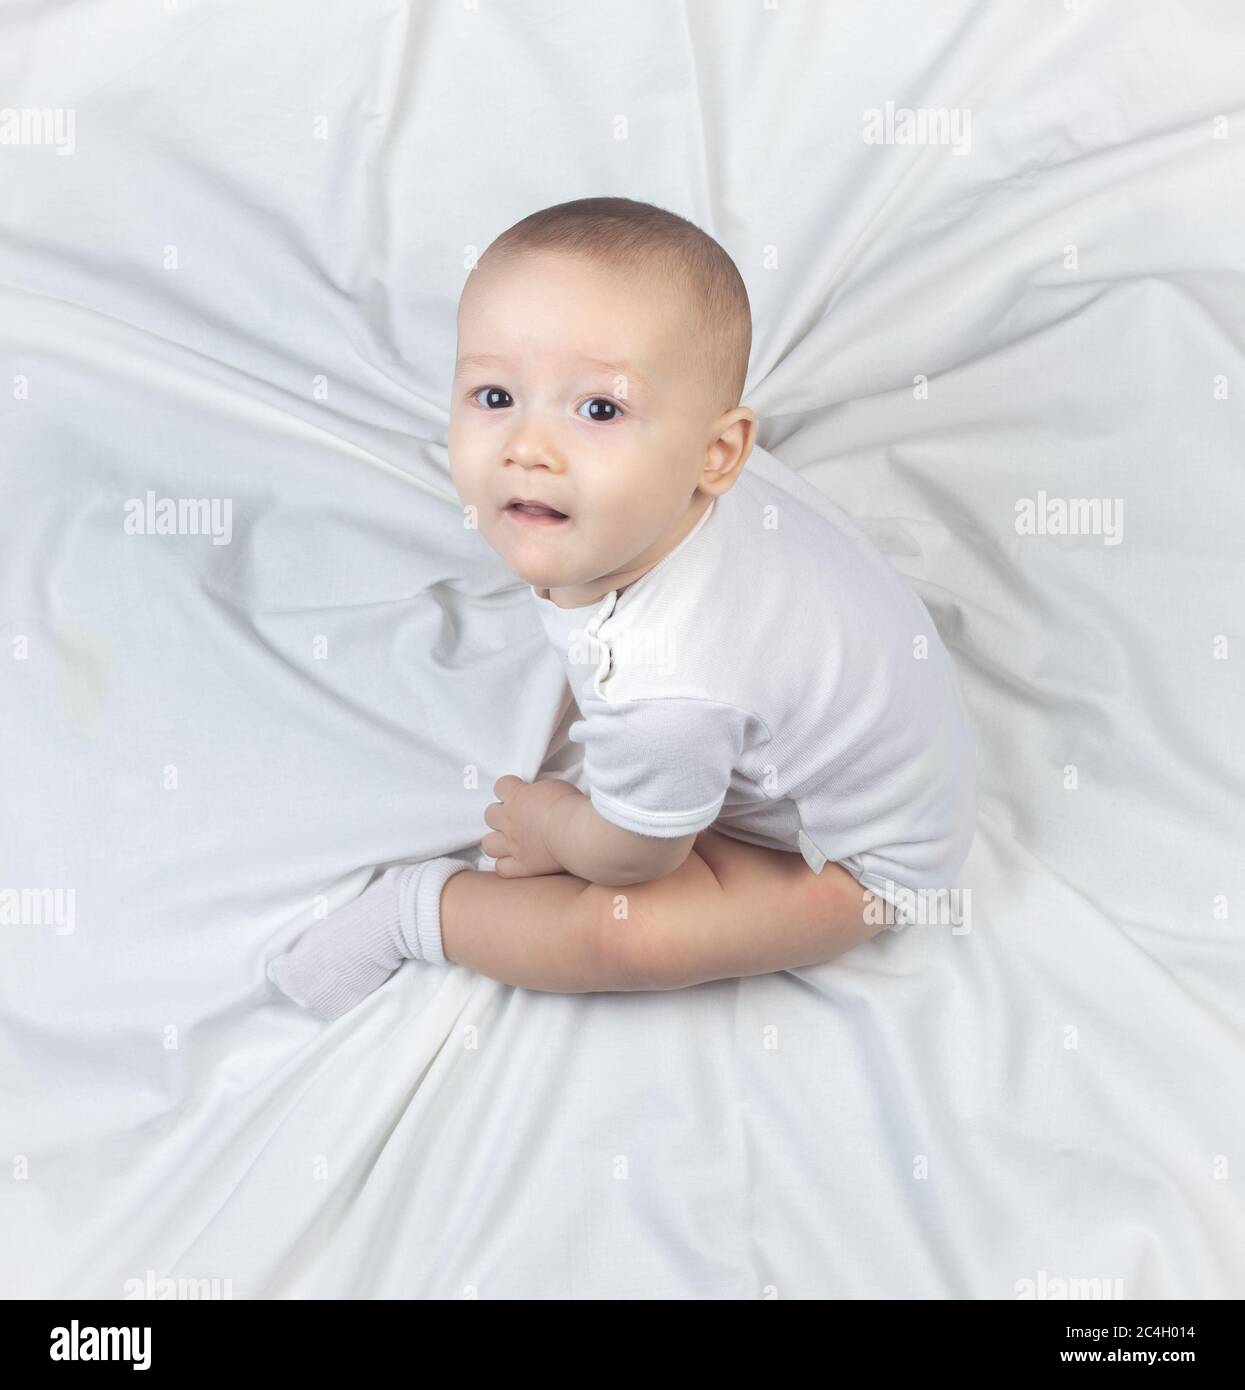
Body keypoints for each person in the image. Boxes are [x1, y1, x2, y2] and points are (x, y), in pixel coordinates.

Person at [268, 196, 976, 1021]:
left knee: (627, 935)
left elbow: (636, 858)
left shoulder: (669, 683)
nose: (527, 449)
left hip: (849, 862)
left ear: (718, 454)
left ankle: (419, 916)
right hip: (826, 720)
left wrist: (556, 825)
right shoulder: (690, 487)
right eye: (494, 396)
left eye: (599, 410)